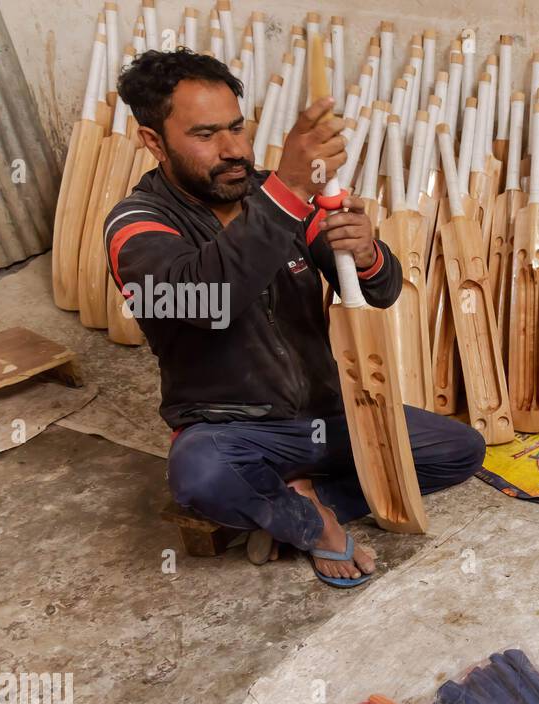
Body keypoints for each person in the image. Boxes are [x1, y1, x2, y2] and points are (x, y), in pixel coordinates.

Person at [106, 50, 483, 587]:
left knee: (458, 451)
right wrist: (284, 190)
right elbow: (205, 301)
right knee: (200, 474)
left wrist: (367, 251)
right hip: (233, 429)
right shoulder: (137, 225)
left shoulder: (277, 197)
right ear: (153, 142)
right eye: (206, 135)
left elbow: (381, 290)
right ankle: (312, 525)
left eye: (237, 127)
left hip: (326, 418)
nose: (233, 149)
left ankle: (297, 497)